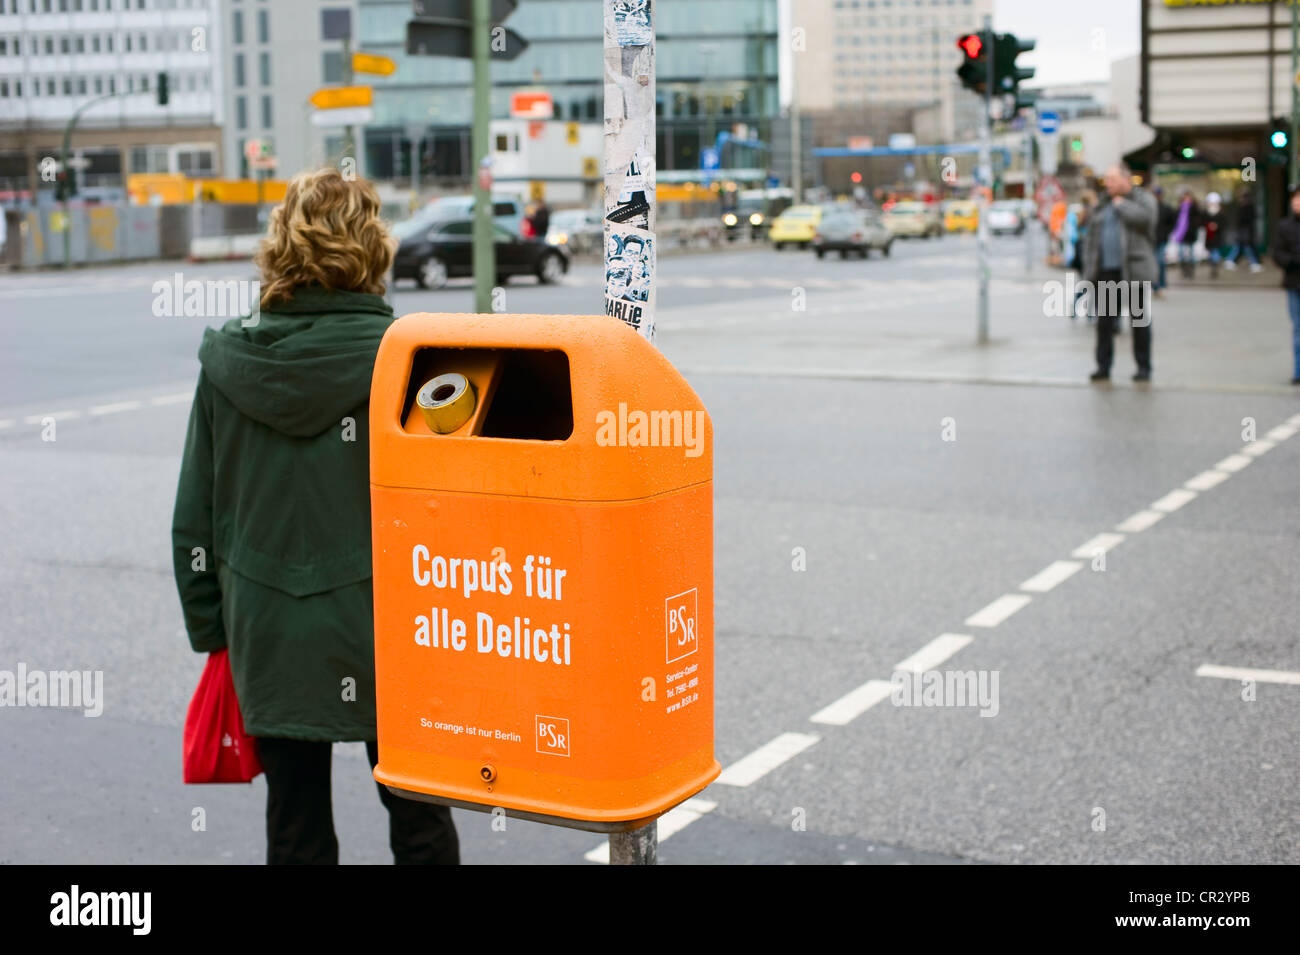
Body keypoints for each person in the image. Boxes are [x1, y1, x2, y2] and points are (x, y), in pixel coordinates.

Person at [171, 167, 461, 865]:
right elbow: (449, 512)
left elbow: (194, 520)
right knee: (419, 817)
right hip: (391, 630)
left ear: (280, 247)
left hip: (267, 628)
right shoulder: (410, 359)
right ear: (374, 249)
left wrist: (215, 631)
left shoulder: (227, 362)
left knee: (295, 826)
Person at [1083, 163, 1158, 383]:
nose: (1108, 184)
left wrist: (1122, 205)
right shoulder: (1103, 204)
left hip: (1134, 270)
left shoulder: (1142, 199)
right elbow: (1091, 239)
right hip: (1107, 271)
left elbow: (1147, 220)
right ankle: (1103, 366)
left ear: (1126, 180)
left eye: (1112, 180)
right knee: (1104, 323)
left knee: (1139, 322)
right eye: (1107, 180)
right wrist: (1090, 270)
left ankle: (1143, 367)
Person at [1271, 188, 1300, 385]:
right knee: (1298, 328)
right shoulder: (1284, 226)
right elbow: (1277, 253)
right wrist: (1293, 260)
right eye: (1295, 200)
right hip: (1294, 282)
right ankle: (1298, 370)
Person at [1223, 187, 1263, 273]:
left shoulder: (1246, 207)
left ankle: (1232, 260)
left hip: (1245, 231)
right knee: (1245, 247)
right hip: (1244, 232)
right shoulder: (1245, 207)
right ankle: (1254, 263)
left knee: (1243, 247)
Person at [1169, 188, 1201, 279]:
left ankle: (1191, 271)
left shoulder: (1194, 209)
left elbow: (1198, 220)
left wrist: (1193, 228)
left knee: (1191, 254)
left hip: (1190, 234)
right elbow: (1175, 221)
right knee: (1182, 254)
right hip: (1181, 235)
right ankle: (1184, 270)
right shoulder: (1179, 209)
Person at [1152, 185, 1177, 296]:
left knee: (1160, 262)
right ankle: (1154, 286)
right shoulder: (1149, 207)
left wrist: (1166, 232)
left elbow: (1172, 223)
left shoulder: (1166, 208)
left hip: (1161, 239)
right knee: (1152, 264)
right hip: (1150, 240)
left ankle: (1160, 285)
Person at [1202, 192, 1226, 279]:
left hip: (1217, 237)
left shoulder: (1220, 214)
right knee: (1211, 253)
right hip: (1209, 237)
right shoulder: (1206, 213)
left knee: (1215, 253)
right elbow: (1202, 222)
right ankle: (1213, 266)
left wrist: (1217, 226)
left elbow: (1224, 224)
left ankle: (1215, 267)